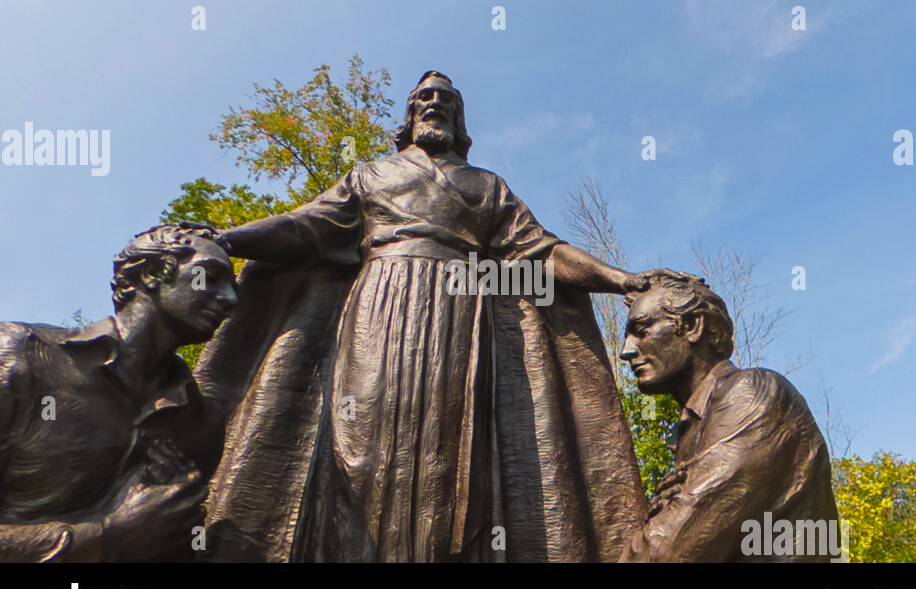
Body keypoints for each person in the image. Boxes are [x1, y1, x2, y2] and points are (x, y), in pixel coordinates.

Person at [199, 71, 647, 562]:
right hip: (379, 307)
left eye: (445, 99)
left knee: (453, 458)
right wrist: (229, 238)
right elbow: (306, 227)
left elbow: (541, 253)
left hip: (461, 313)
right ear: (411, 114)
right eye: (424, 98)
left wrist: (620, 280)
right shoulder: (371, 175)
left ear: (458, 118)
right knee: (358, 445)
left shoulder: (487, 186)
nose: (434, 104)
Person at [0, 223, 238, 562]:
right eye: (209, 277)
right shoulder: (20, 355)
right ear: (153, 274)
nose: (231, 299)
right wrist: (105, 538)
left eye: (232, 285)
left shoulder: (202, 426)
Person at [617, 269, 839, 562]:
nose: (626, 351)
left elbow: (670, 548)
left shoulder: (753, 393)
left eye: (642, 331)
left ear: (694, 326)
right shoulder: (691, 426)